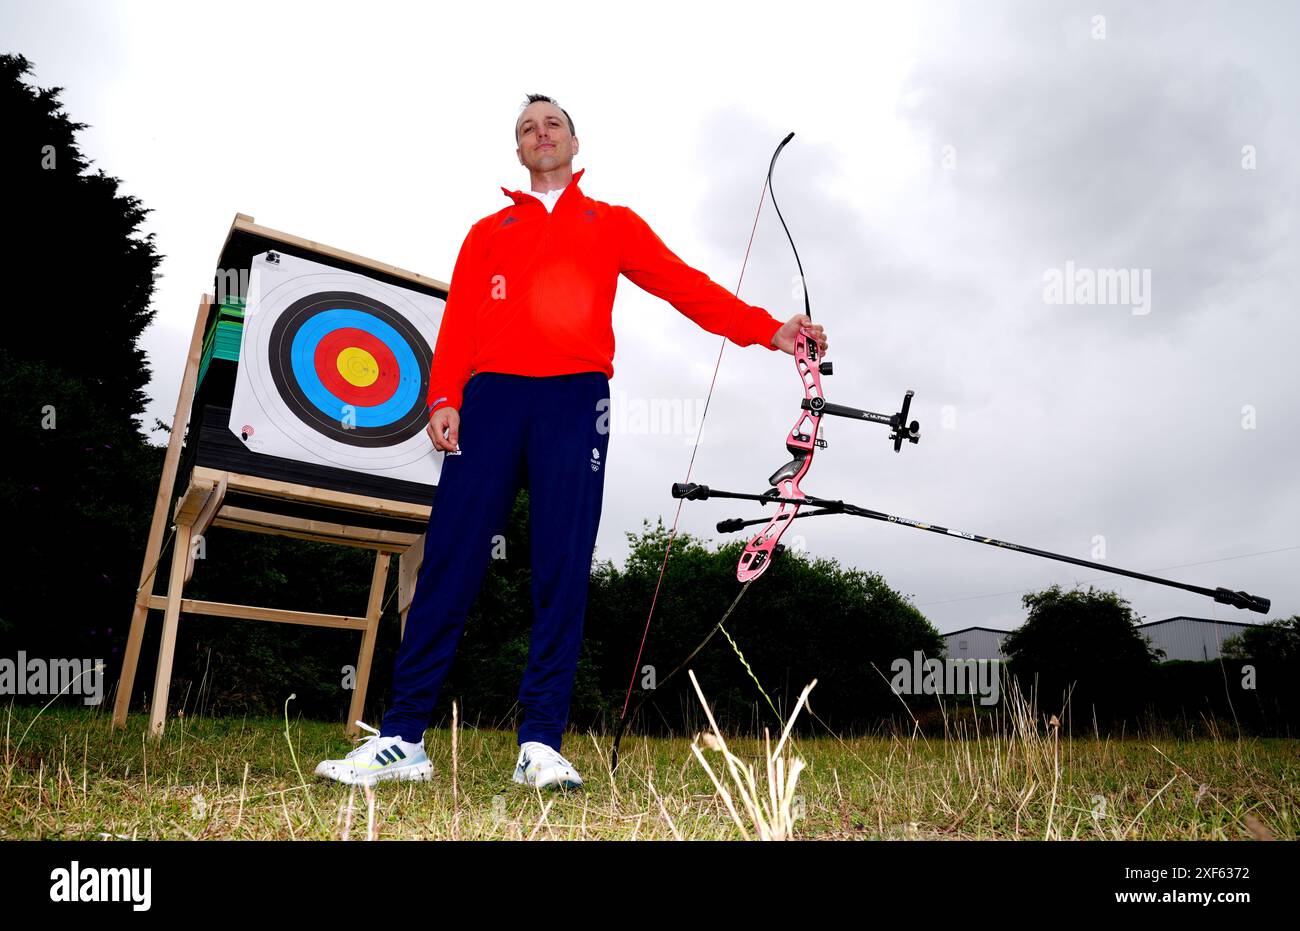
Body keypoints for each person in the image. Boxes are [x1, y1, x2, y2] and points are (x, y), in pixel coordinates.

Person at [315, 93, 827, 790]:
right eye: (527, 128)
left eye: (552, 123)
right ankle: (404, 736)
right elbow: (459, 320)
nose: (540, 133)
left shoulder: (612, 223)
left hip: (575, 400)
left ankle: (540, 744)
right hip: (492, 397)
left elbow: (686, 286)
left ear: (575, 142)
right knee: (450, 559)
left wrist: (771, 329)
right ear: (519, 152)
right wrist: (444, 397)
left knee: (560, 564)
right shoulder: (486, 230)